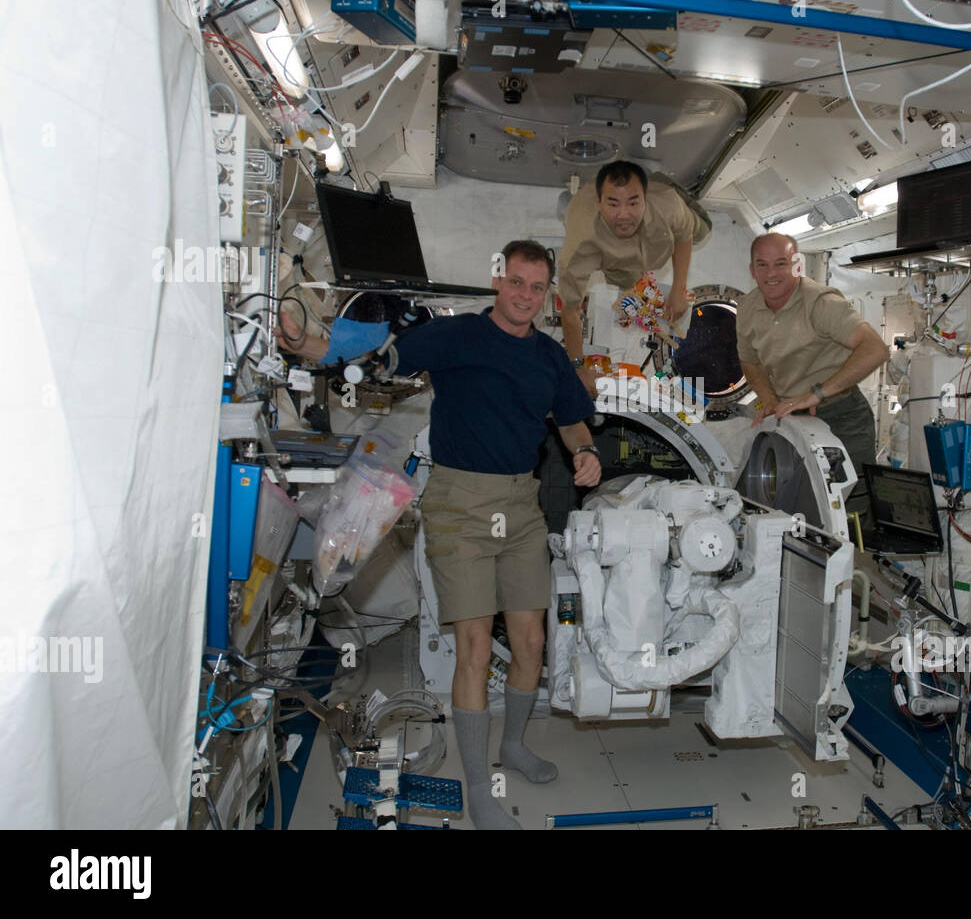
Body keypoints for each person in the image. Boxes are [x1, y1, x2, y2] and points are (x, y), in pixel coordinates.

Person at [277, 239, 599, 830]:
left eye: (536, 286)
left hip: (521, 505)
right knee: (475, 647)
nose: (525, 295)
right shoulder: (457, 337)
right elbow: (380, 352)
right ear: (497, 281)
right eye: (516, 282)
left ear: (547, 294)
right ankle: (479, 787)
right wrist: (315, 343)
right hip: (458, 503)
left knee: (531, 642)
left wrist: (584, 451)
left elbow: (571, 417)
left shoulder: (550, 358)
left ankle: (515, 746)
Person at [735, 232, 890, 484]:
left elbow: (875, 349)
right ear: (752, 270)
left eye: (781, 263)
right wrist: (770, 401)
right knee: (796, 501)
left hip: (841, 415)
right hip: (790, 416)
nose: (771, 273)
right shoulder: (747, 308)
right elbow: (750, 361)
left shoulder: (821, 302)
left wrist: (816, 393)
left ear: (796, 264)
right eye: (762, 265)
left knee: (851, 507)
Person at [557, 160, 712, 397]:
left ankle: (657, 177)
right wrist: (577, 366)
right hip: (614, 257)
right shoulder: (581, 246)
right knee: (624, 282)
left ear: (645, 199)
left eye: (633, 202)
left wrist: (679, 289)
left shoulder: (666, 203)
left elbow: (685, 235)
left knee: (704, 230)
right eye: (613, 203)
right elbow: (569, 311)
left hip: (661, 214)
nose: (624, 214)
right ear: (599, 203)